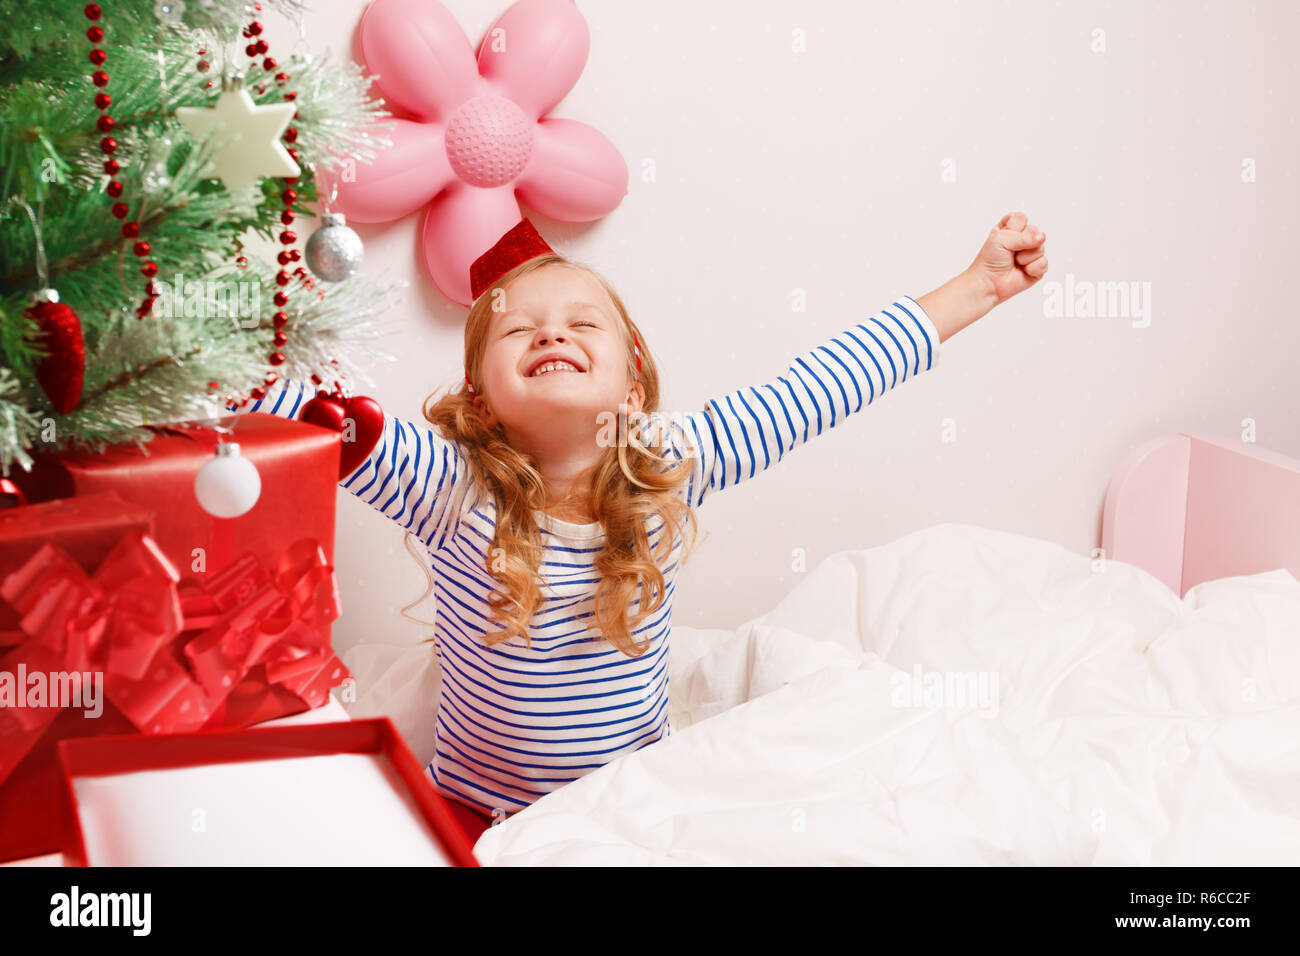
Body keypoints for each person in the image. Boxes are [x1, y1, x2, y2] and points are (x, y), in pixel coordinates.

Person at [234, 211, 1048, 843]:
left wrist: (976, 286)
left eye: (584, 324)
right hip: (474, 801)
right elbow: (318, 420)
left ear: (631, 388)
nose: (552, 331)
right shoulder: (454, 487)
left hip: (629, 800)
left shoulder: (669, 464)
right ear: (479, 398)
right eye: (519, 328)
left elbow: (819, 386)